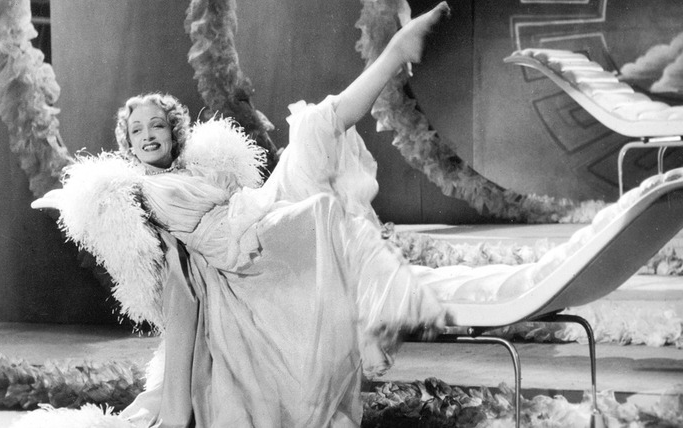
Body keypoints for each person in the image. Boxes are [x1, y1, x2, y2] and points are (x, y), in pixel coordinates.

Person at [30, 3, 452, 427]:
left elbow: (234, 203)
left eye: (155, 125)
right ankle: (376, 324)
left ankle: (397, 51)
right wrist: (69, 198)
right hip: (233, 256)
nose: (147, 135)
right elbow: (112, 218)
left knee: (315, 126)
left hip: (251, 221)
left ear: (173, 131)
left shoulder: (195, 170)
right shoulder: (136, 187)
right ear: (127, 143)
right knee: (324, 209)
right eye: (136, 130)